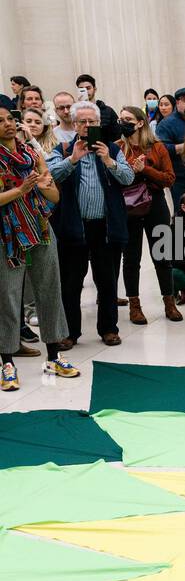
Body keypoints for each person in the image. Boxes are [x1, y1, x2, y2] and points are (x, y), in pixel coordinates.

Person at [0, 105, 77, 390]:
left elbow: (54, 195)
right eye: (1, 121)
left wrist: (42, 185)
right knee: (7, 298)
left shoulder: (31, 154)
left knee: (50, 290)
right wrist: (21, 190)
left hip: (40, 229)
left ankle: (54, 357)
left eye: (10, 119)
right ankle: (7, 363)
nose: (8, 124)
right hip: (6, 236)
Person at [49, 100, 134, 347]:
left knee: (107, 280)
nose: (88, 126)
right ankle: (69, 332)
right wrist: (72, 159)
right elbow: (51, 176)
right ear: (74, 124)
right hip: (73, 227)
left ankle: (108, 329)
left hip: (105, 228)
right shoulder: (63, 148)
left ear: (99, 123)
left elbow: (128, 178)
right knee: (71, 283)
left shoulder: (112, 149)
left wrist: (109, 160)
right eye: (83, 122)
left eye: (92, 122)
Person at [118, 106, 178, 325]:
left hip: (156, 204)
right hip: (129, 207)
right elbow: (113, 180)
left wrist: (145, 170)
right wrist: (128, 172)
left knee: (162, 256)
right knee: (131, 258)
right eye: (120, 119)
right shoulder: (116, 148)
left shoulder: (157, 147)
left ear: (140, 122)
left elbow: (169, 179)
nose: (123, 122)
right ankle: (135, 306)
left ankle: (169, 302)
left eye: (128, 119)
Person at [154, 87, 185, 214]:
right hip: (180, 179)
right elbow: (161, 150)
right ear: (177, 103)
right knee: (182, 214)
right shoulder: (167, 124)